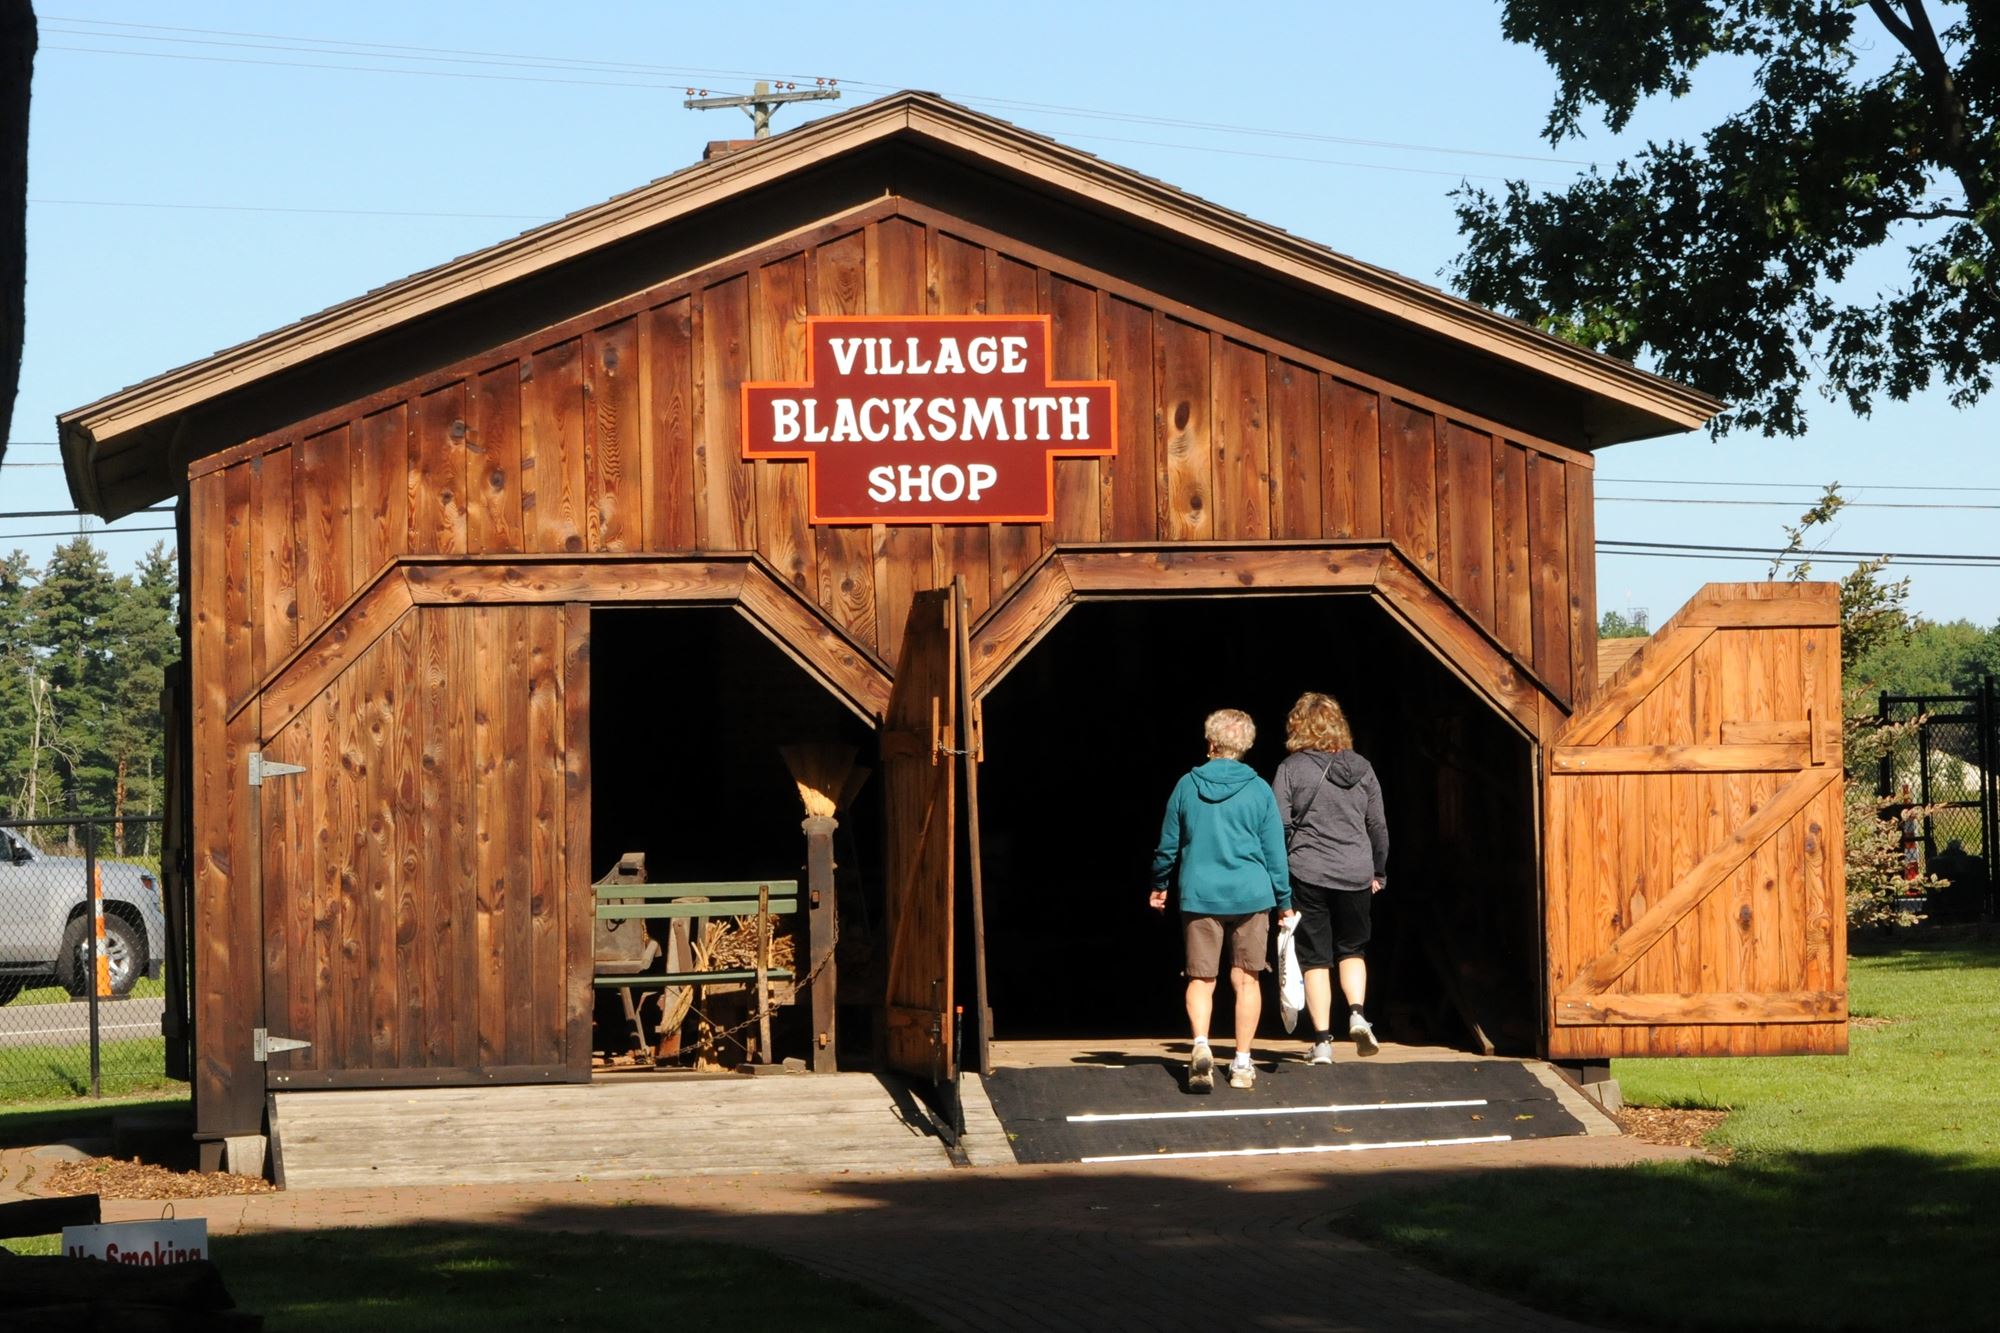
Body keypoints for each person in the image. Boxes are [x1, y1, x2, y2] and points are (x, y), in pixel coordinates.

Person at [1149, 708, 1291, 1093]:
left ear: (1210, 742)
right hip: (1252, 894)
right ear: (1245, 745)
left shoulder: (1186, 785)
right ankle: (1243, 1063)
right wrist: (1285, 900)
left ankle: (1200, 1047)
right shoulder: (1260, 789)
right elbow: (1274, 851)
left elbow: (1168, 843)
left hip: (1201, 893)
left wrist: (1160, 882)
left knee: (1201, 978)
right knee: (1247, 979)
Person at [1272, 691, 1389, 1063]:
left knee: (1315, 958)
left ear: (1298, 727)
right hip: (1356, 872)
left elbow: (1277, 825)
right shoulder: (1364, 768)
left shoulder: (1291, 769)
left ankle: (1322, 1042)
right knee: (1353, 950)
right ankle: (1357, 1013)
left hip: (1308, 873)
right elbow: (1378, 826)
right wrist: (1378, 870)